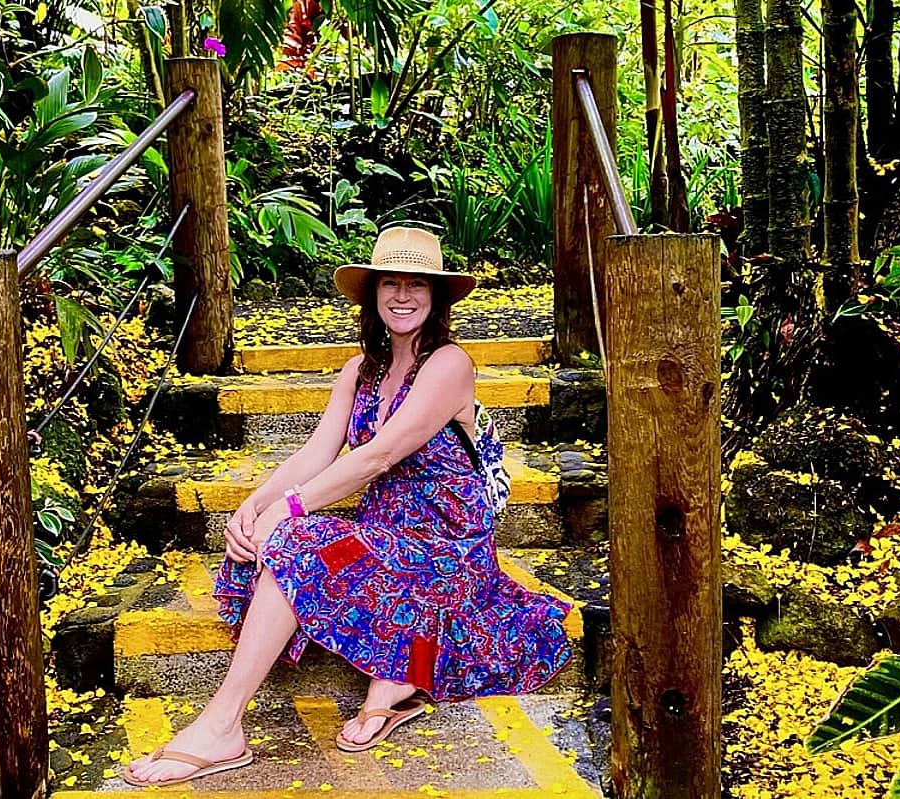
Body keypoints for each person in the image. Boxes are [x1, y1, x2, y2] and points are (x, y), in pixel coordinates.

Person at [124, 226, 573, 788]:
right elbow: (318, 451)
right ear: (372, 294)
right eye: (391, 282)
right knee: (262, 543)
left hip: (447, 547)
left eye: (417, 284)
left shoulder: (449, 363)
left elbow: (377, 456)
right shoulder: (359, 370)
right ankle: (390, 677)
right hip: (386, 533)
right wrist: (255, 499)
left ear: (435, 298)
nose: (402, 295)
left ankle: (224, 725)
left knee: (292, 539)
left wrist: (286, 509)